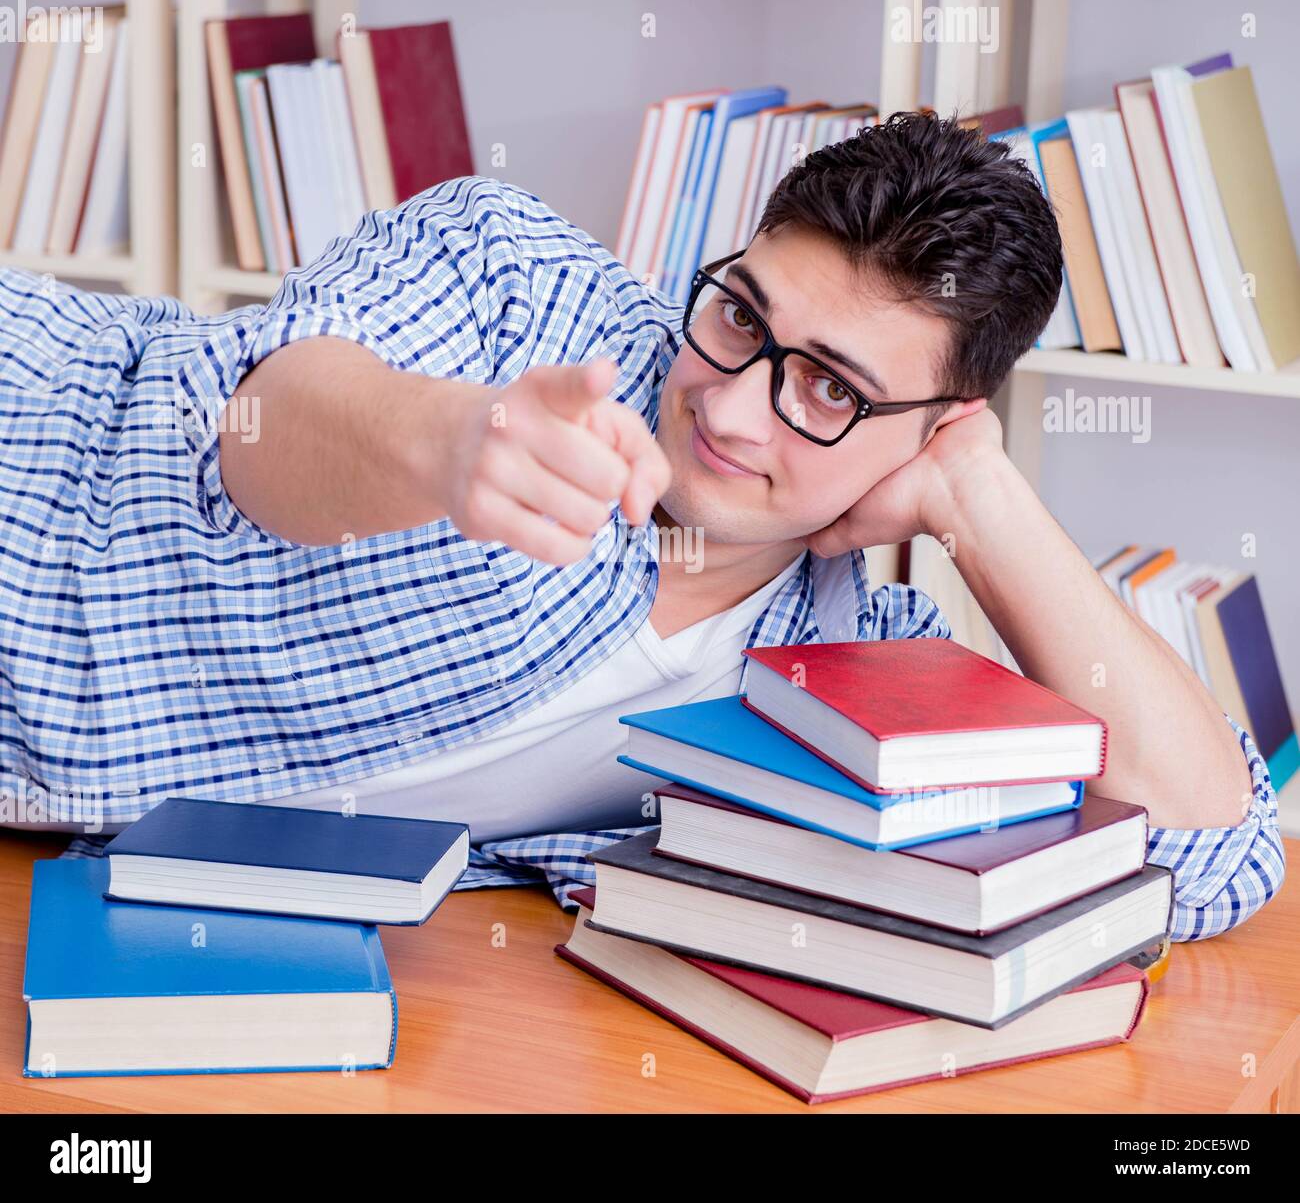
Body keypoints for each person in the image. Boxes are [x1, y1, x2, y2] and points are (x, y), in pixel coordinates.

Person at [0, 113, 1281, 939]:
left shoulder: (838, 672)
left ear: (940, 424)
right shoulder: (516, 283)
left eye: (829, 388)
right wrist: (445, 443)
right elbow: (259, 420)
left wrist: (985, 504)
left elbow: (1211, 845)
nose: (729, 403)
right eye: (740, 314)